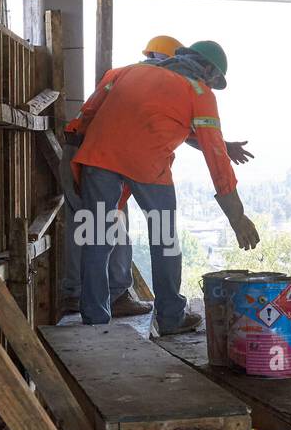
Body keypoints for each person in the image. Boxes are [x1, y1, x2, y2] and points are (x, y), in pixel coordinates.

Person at [72, 40, 260, 333]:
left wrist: (78, 147)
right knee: (164, 238)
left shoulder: (124, 72)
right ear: (207, 69)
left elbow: (89, 114)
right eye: (214, 78)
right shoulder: (199, 92)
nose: (211, 83)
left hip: (98, 157)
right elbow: (216, 157)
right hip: (149, 166)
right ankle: (171, 317)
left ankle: (94, 318)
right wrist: (236, 216)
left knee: (96, 236)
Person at [56, 36, 186, 317]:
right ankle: (85, 295)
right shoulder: (131, 78)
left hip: (99, 160)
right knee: (92, 227)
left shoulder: (126, 77)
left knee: (99, 227)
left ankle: (101, 297)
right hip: (89, 156)